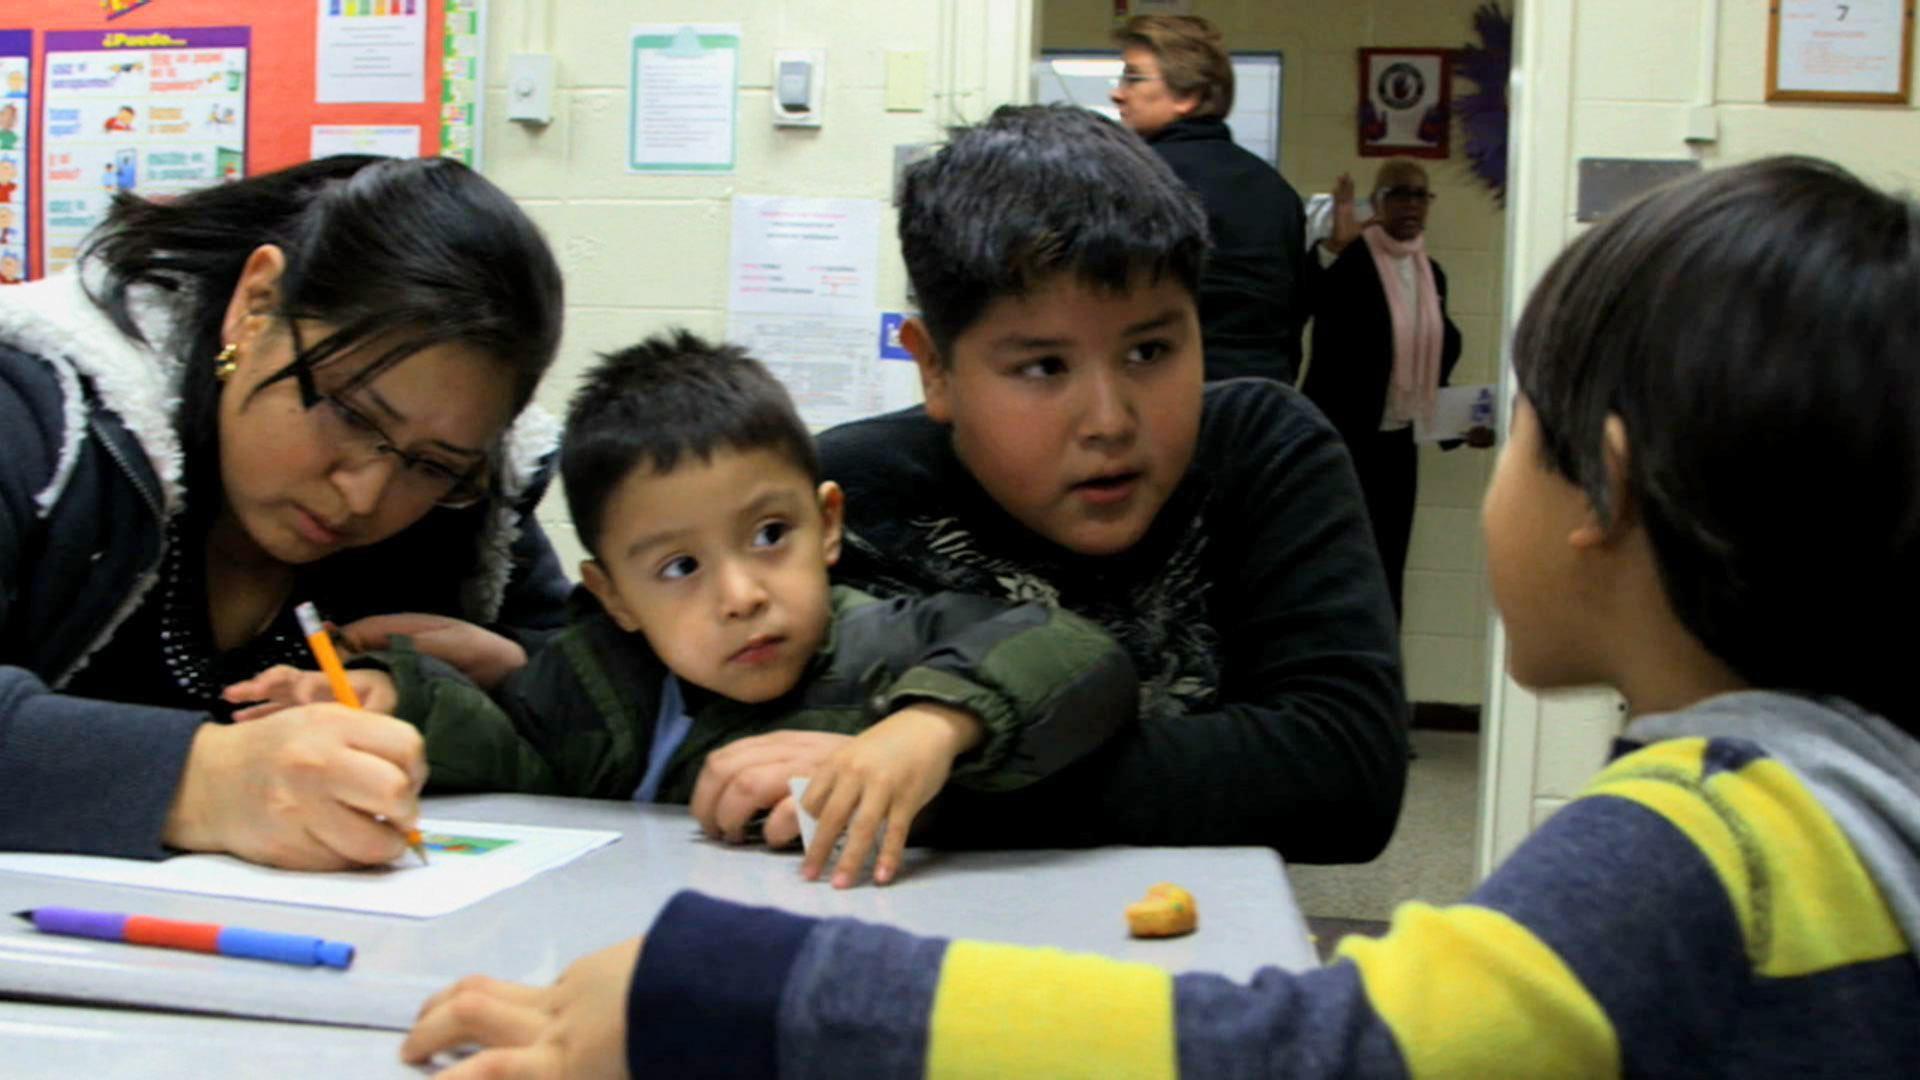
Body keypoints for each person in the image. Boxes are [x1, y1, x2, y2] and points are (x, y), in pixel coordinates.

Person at [402, 155, 1920, 1079]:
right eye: (1040, 366)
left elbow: (1319, 1050)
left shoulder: (1691, 856)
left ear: (1600, 488)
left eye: (1509, 423)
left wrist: (737, 1001)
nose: (1109, 418)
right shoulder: (1852, 796)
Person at [690, 104, 1406, 862]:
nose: (1108, 421)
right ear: (934, 367)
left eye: (1151, 351)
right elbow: (735, 758)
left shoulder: (1266, 451)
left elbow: (1345, 777)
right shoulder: (841, 501)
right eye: (1042, 368)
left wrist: (935, 781)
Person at [234, 330, 1139, 888]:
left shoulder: (891, 644)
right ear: (613, 598)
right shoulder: (600, 678)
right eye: (678, 567)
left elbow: (1079, 654)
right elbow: (511, 746)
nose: (741, 595)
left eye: (770, 535)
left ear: (828, 524)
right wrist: (393, 697)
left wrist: (927, 732)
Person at [0, 154, 570, 869]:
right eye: (349, 411)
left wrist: (484, 683)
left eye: (430, 467)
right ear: (257, 303)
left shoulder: (474, 487)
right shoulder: (42, 416)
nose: (365, 496)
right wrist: (203, 780)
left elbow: (594, 689)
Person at [1300, 159, 1479, 620]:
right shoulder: (1352, 264)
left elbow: (1428, 368)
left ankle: (1382, 683)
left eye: (1421, 195)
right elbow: (1310, 300)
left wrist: (1462, 427)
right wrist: (1333, 249)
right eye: (1399, 193)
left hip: (1398, 446)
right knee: (1336, 565)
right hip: (1343, 442)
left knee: (1387, 568)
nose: (1411, 204)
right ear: (1377, 204)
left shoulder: (1432, 275)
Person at [1110, 14, 1308, 384]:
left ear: (1189, 95)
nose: (1118, 92)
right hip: (1263, 403)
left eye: (1133, 78)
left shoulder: (1133, 180)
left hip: (1165, 399)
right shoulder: (1277, 191)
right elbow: (1295, 314)